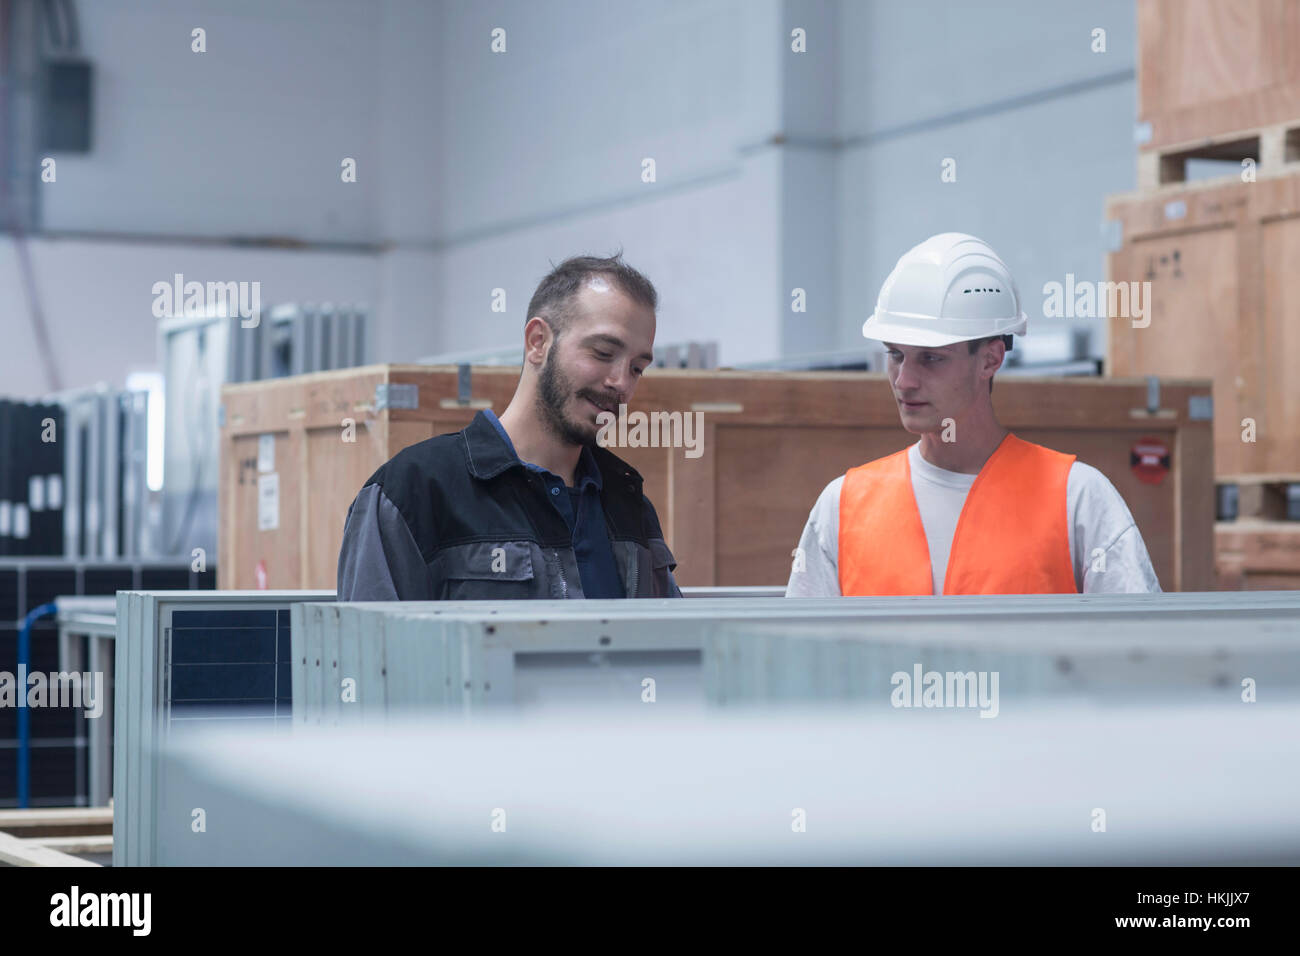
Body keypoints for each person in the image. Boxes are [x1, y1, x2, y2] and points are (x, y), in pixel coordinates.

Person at [787, 232, 1160, 597]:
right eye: (895, 355)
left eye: (931, 358)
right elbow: (800, 654)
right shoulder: (843, 506)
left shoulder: (1077, 498)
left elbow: (1139, 647)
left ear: (990, 359)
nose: (904, 380)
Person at [338, 253, 682, 601]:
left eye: (637, 368)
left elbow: (669, 646)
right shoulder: (413, 493)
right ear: (538, 342)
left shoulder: (629, 503)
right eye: (603, 353)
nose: (621, 382)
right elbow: (367, 650)